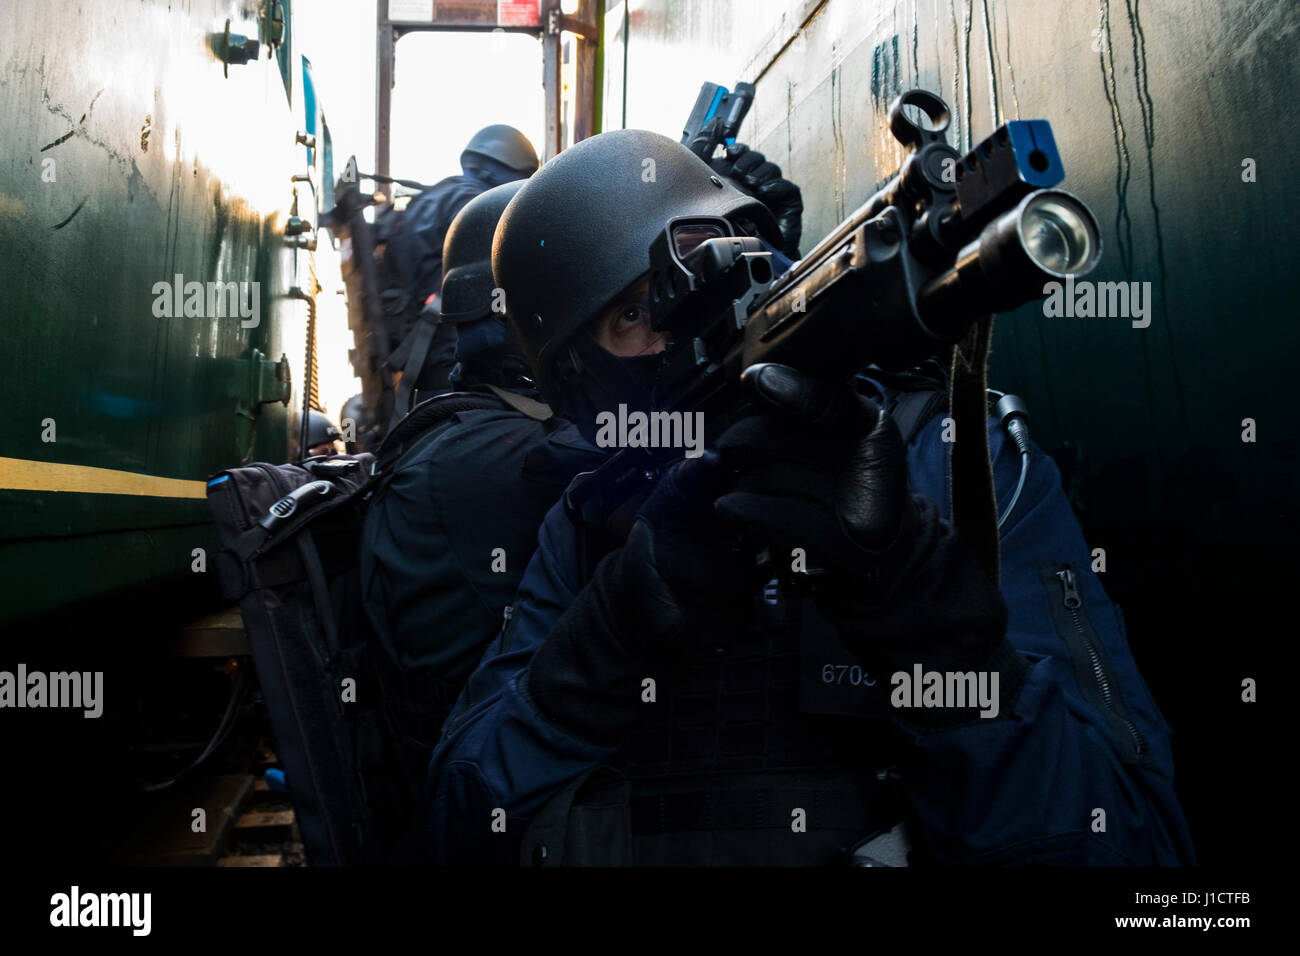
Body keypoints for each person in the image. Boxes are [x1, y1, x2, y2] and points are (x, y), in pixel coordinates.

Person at [424, 128, 1196, 866]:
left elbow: (1131, 847)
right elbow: (465, 819)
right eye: (632, 313)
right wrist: (618, 629)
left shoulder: (955, 463)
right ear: (583, 385)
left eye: (712, 263)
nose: (692, 318)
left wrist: (920, 606)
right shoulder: (593, 523)